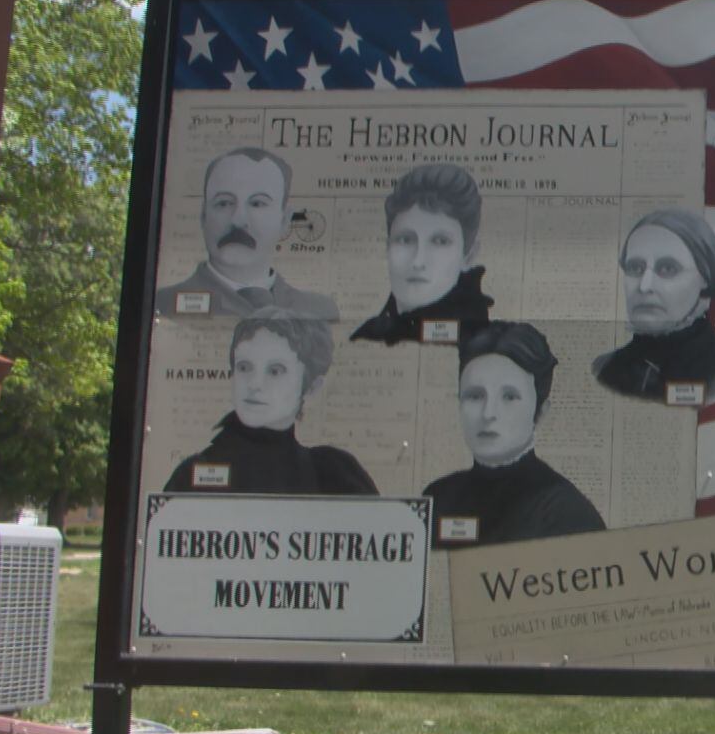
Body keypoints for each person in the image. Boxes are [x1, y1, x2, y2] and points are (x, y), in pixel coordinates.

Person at [423, 321, 603, 547]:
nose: (488, 414)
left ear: (540, 411)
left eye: (509, 397)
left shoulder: (566, 513)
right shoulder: (438, 497)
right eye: (475, 396)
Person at [165, 307, 376, 494]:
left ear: (311, 387)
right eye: (244, 367)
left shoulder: (333, 473)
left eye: (275, 371)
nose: (254, 384)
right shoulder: (195, 474)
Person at [155, 148, 338, 319]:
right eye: (224, 203)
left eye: (257, 203)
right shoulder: (161, 305)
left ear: (284, 221)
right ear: (203, 215)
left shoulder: (319, 312)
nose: (238, 220)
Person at [593, 208, 715, 402]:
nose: (644, 286)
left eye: (668, 268)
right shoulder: (604, 369)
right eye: (635, 268)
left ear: (705, 277)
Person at [350, 163, 493, 345]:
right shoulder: (369, 334)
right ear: (387, 247)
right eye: (405, 240)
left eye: (440, 241)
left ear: (469, 256)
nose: (418, 262)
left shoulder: (478, 343)